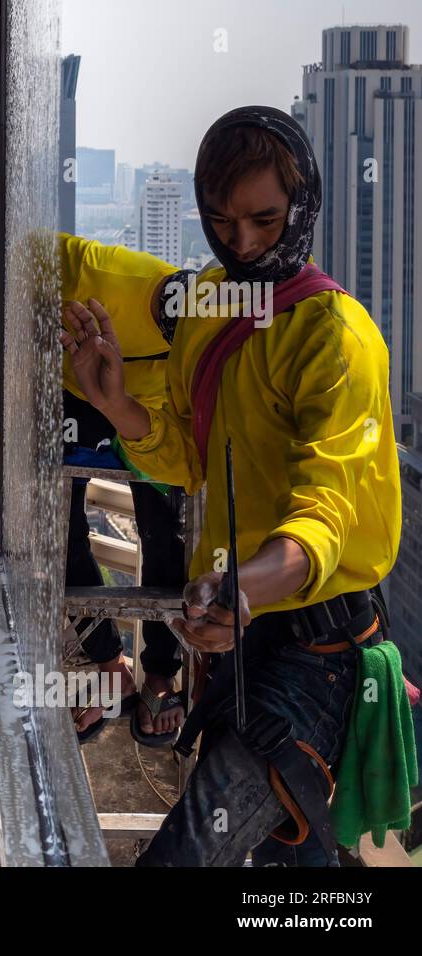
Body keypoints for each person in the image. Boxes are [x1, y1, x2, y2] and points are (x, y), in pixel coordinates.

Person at [62, 106, 401, 865]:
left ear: (302, 207)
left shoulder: (334, 337)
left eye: (264, 220)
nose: (243, 242)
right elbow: (188, 459)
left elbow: (329, 514)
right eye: (221, 221)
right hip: (244, 640)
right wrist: (116, 402)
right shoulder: (214, 307)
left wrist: (243, 588)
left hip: (318, 648)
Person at [56, 233, 190, 747]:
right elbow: (30, 253)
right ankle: (109, 660)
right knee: (58, 529)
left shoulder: (213, 349)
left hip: (152, 413)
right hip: (77, 389)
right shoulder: (107, 276)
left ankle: (159, 671)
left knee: (168, 534)